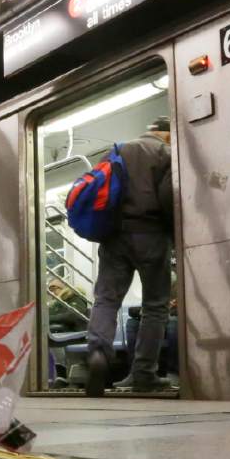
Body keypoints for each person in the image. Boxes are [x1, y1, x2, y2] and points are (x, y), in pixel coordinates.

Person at [86, 116, 174, 396]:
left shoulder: (116, 150)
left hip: (114, 237)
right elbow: (168, 198)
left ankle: (98, 354)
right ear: (167, 135)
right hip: (150, 234)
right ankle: (144, 373)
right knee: (156, 306)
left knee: (106, 300)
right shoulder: (165, 153)